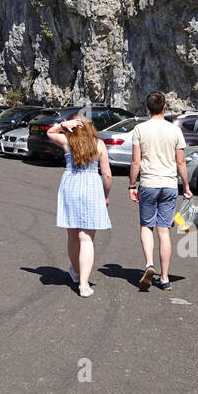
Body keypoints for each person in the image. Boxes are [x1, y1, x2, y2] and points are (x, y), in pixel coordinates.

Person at [129, 91, 191, 291]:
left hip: (148, 183)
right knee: (164, 231)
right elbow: (180, 161)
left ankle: (149, 264)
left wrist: (132, 185)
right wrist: (187, 186)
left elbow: (136, 161)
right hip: (169, 184)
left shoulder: (140, 129)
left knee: (147, 226)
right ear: (165, 107)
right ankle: (164, 278)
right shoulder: (175, 130)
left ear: (147, 108)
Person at [49, 115, 112, 298]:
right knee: (87, 239)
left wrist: (62, 125)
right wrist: (106, 195)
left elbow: (50, 132)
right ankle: (84, 284)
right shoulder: (99, 144)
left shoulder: (67, 141)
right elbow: (107, 175)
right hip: (91, 187)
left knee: (73, 236)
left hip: (71, 185)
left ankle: (76, 272)